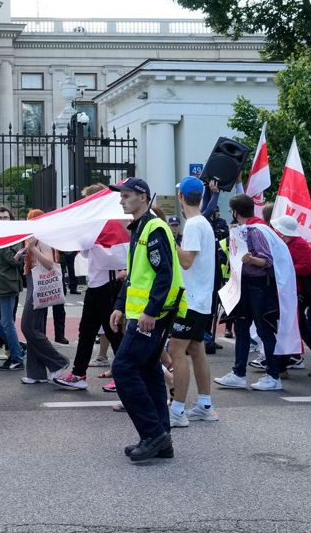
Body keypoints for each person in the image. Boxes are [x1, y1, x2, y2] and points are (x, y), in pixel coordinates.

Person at [107, 178, 183, 462]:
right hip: (144, 314)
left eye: (126, 196)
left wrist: (150, 311)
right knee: (149, 371)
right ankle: (162, 438)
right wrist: (118, 305)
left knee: (124, 368)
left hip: (153, 315)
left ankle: (153, 434)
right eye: (122, 196)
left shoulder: (153, 227)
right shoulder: (139, 228)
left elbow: (164, 273)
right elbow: (136, 274)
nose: (121, 200)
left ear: (143, 197)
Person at [54, 184, 126, 390]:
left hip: (107, 285)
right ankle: (79, 374)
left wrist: (86, 238)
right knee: (87, 331)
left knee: (114, 333)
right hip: (97, 284)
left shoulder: (109, 223)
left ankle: (124, 375)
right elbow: (86, 251)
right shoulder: (101, 224)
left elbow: (109, 254)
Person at [214, 195, 288, 391]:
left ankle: (273, 376)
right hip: (244, 283)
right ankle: (238, 373)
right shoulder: (244, 230)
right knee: (241, 327)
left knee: (263, 330)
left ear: (236, 212)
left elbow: (267, 260)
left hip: (257, 285)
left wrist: (251, 260)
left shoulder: (255, 231)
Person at [167, 177, 219, 426]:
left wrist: (170, 240)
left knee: (176, 350)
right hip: (200, 298)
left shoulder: (194, 225)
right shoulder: (202, 223)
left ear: (181, 197)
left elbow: (186, 261)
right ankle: (205, 405)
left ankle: (177, 410)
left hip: (191, 299)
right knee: (196, 350)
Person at [271, 215, 311, 376]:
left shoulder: (298, 244)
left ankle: (282, 367)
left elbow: (305, 268)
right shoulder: (292, 243)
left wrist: (285, 268)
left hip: (299, 291)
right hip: (295, 291)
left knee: (293, 327)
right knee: (299, 327)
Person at [16, 209, 70, 385]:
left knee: (28, 327)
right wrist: (23, 254)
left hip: (39, 285)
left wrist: (32, 248)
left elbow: (49, 264)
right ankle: (36, 372)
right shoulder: (33, 239)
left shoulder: (43, 239)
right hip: (35, 283)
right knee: (35, 328)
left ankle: (58, 362)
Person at [0, 206, 25, 371]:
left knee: (7, 322)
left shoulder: (14, 237)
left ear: (10, 220)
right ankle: (18, 348)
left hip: (8, 284)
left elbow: (15, 261)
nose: (2, 220)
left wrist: (2, 243)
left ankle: (17, 356)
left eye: (5, 217)